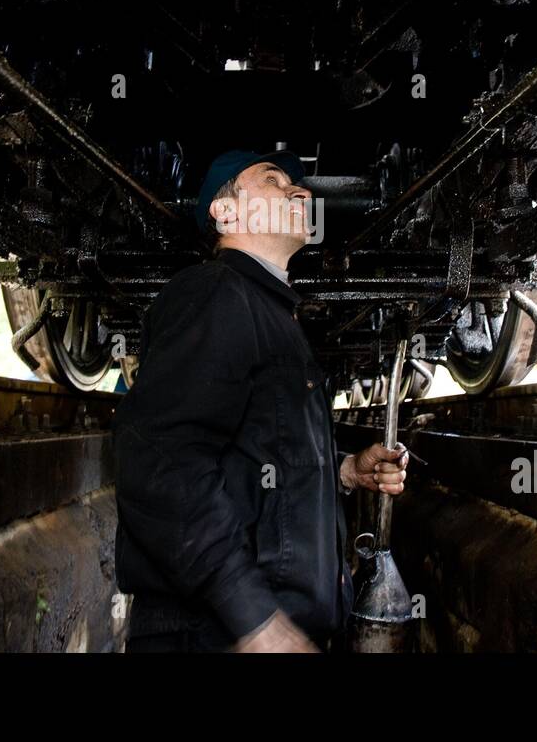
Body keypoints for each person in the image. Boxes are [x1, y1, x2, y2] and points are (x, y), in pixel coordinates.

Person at [113, 148, 409, 652]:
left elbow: (254, 453)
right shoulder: (213, 292)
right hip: (214, 636)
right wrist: (254, 619)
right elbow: (161, 462)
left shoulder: (270, 312)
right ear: (225, 212)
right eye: (273, 179)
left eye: (296, 182)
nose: (301, 191)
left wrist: (343, 471)